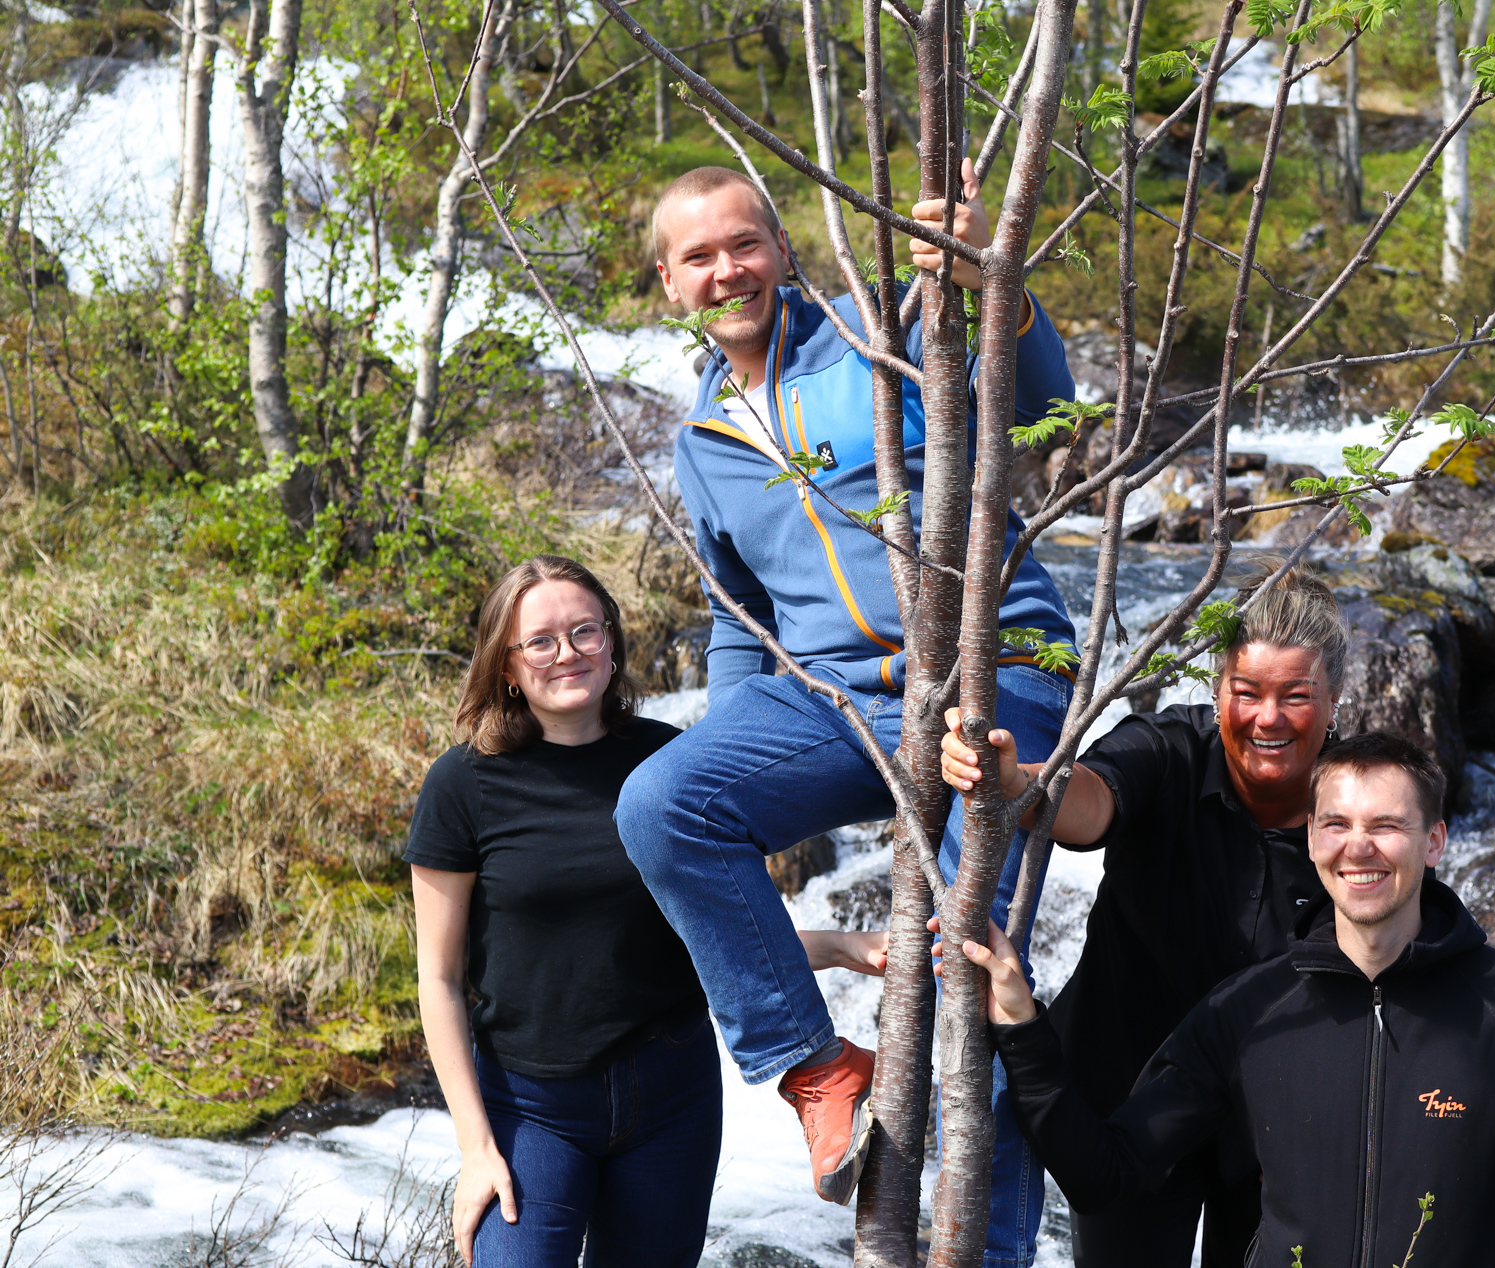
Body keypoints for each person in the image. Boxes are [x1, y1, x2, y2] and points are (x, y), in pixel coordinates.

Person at [612, 163, 1077, 1264]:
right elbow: (740, 614)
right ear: (667, 283)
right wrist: (734, 741)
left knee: (971, 976)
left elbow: (1048, 408)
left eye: (744, 244)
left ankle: (989, 1250)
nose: (727, 270)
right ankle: (818, 1072)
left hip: (987, 665)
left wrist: (987, 278)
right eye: (698, 257)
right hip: (840, 699)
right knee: (660, 803)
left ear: (781, 248)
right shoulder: (702, 439)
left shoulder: (886, 335)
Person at [960, 732, 1495, 1268]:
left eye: (1386, 825)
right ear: (1311, 839)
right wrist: (1022, 1026)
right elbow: (1106, 1175)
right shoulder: (1248, 1011)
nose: (1359, 847)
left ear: (1434, 841)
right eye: (1337, 824)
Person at [940, 563, 1344, 1268]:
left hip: (1282, 1125)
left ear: (1334, 701)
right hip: (1125, 1102)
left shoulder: (1360, 804)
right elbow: (1087, 801)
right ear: (1217, 689)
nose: (1267, 718)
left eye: (1295, 697)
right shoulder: (1170, 748)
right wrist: (1015, 782)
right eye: (1246, 692)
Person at [406, 556, 719, 1267]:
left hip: (671, 1093)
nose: (568, 653)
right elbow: (439, 979)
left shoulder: (672, 763)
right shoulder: (462, 784)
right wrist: (475, 1146)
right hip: (529, 1103)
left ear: (611, 643)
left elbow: (723, 923)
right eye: (541, 641)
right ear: (507, 666)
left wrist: (846, 948)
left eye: (585, 631)